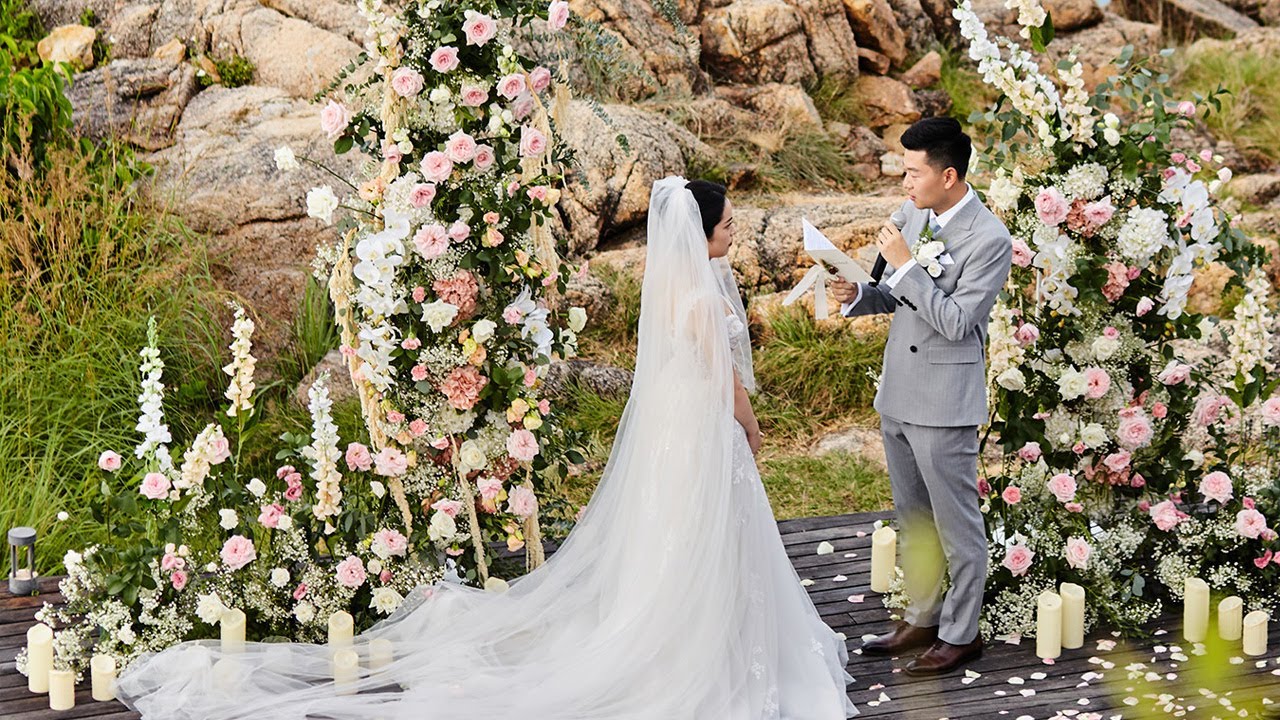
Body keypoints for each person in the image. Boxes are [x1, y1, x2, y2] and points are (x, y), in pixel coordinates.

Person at [115, 176, 857, 719]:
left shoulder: (671, 290)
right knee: (706, 537)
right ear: (702, 233)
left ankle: (689, 628)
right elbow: (723, 379)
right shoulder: (700, 296)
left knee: (675, 540)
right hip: (702, 429)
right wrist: (752, 427)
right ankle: (705, 649)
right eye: (725, 225)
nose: (732, 233)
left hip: (673, 429)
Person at [831, 117, 1012, 676]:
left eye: (913, 172)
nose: (903, 182)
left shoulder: (990, 240)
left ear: (949, 174)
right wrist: (857, 292)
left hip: (944, 399)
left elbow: (957, 322)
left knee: (957, 525)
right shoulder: (913, 214)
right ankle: (923, 616)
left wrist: (909, 263)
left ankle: (962, 634)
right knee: (912, 517)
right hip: (899, 394)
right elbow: (892, 294)